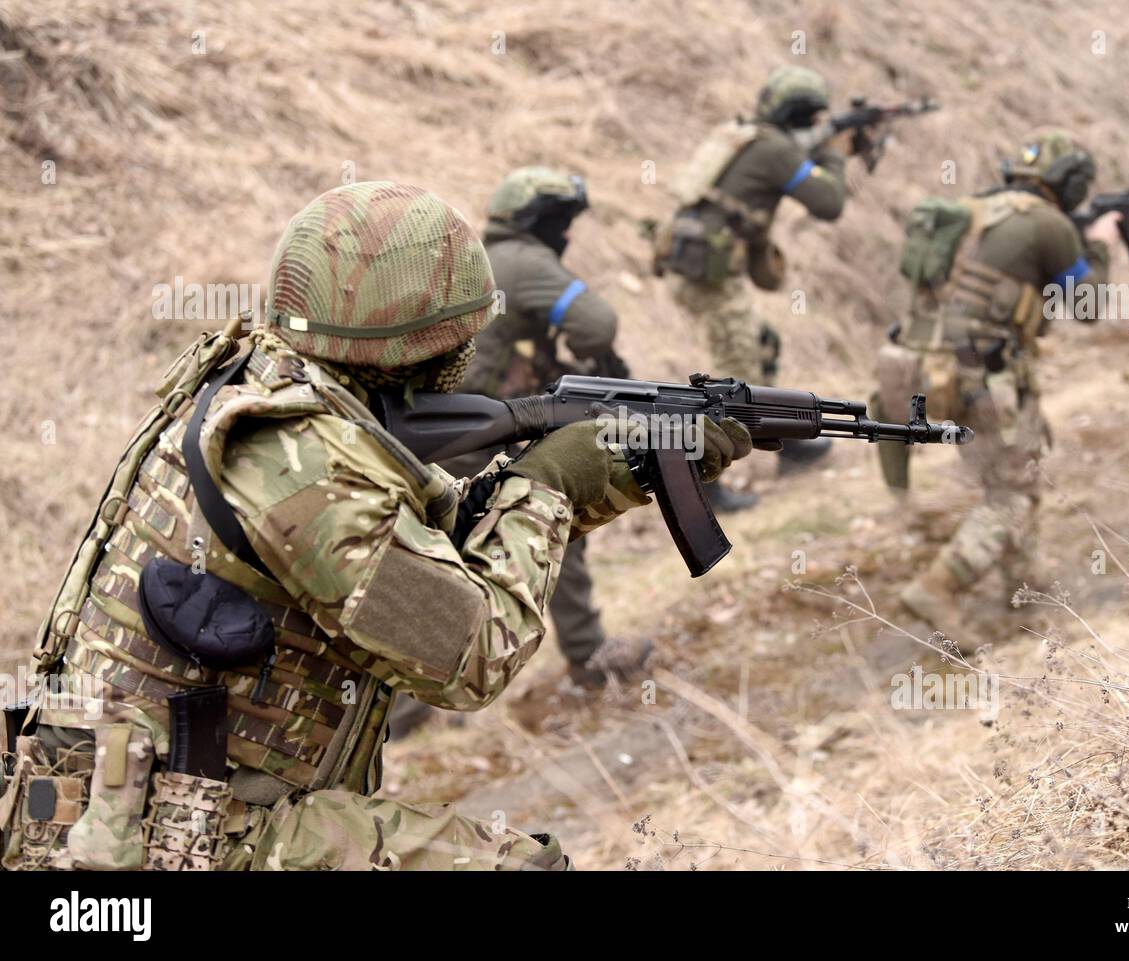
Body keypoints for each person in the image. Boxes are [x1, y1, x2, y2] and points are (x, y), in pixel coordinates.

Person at [0, 181, 751, 871]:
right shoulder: (297, 467)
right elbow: (474, 656)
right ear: (433, 341)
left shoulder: (274, 381)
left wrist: (612, 469)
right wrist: (550, 483)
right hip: (157, 838)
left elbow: (437, 541)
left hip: (144, 802)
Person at [386, 166, 648, 740]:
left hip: (455, 428)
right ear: (538, 222)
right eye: (561, 220)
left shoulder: (481, 258)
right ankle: (402, 712)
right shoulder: (524, 261)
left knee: (446, 549)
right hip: (481, 432)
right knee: (507, 532)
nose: (567, 234)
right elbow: (598, 323)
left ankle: (403, 711)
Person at [873, 130, 1129, 634]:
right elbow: (1087, 307)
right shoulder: (1048, 224)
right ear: (1067, 185)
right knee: (1012, 495)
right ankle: (937, 587)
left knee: (1014, 473)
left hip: (928, 367)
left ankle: (1025, 584)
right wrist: (1101, 245)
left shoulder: (977, 210)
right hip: (981, 375)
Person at [656, 65, 852, 510]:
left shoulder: (746, 135)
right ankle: (701, 483)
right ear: (803, 115)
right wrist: (835, 154)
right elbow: (829, 203)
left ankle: (785, 442)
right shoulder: (777, 150)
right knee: (732, 381)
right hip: (709, 273)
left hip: (694, 265)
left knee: (762, 343)